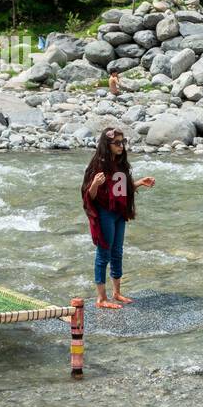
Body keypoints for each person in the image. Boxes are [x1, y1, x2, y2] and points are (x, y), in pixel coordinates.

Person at [81, 128, 155, 310]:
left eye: (123, 142)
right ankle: (101, 298)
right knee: (103, 253)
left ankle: (116, 293)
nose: (121, 146)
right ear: (107, 145)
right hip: (105, 212)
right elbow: (89, 196)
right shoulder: (98, 165)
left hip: (119, 213)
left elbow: (121, 188)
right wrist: (94, 185)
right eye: (117, 143)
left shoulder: (121, 163)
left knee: (117, 252)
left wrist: (139, 183)